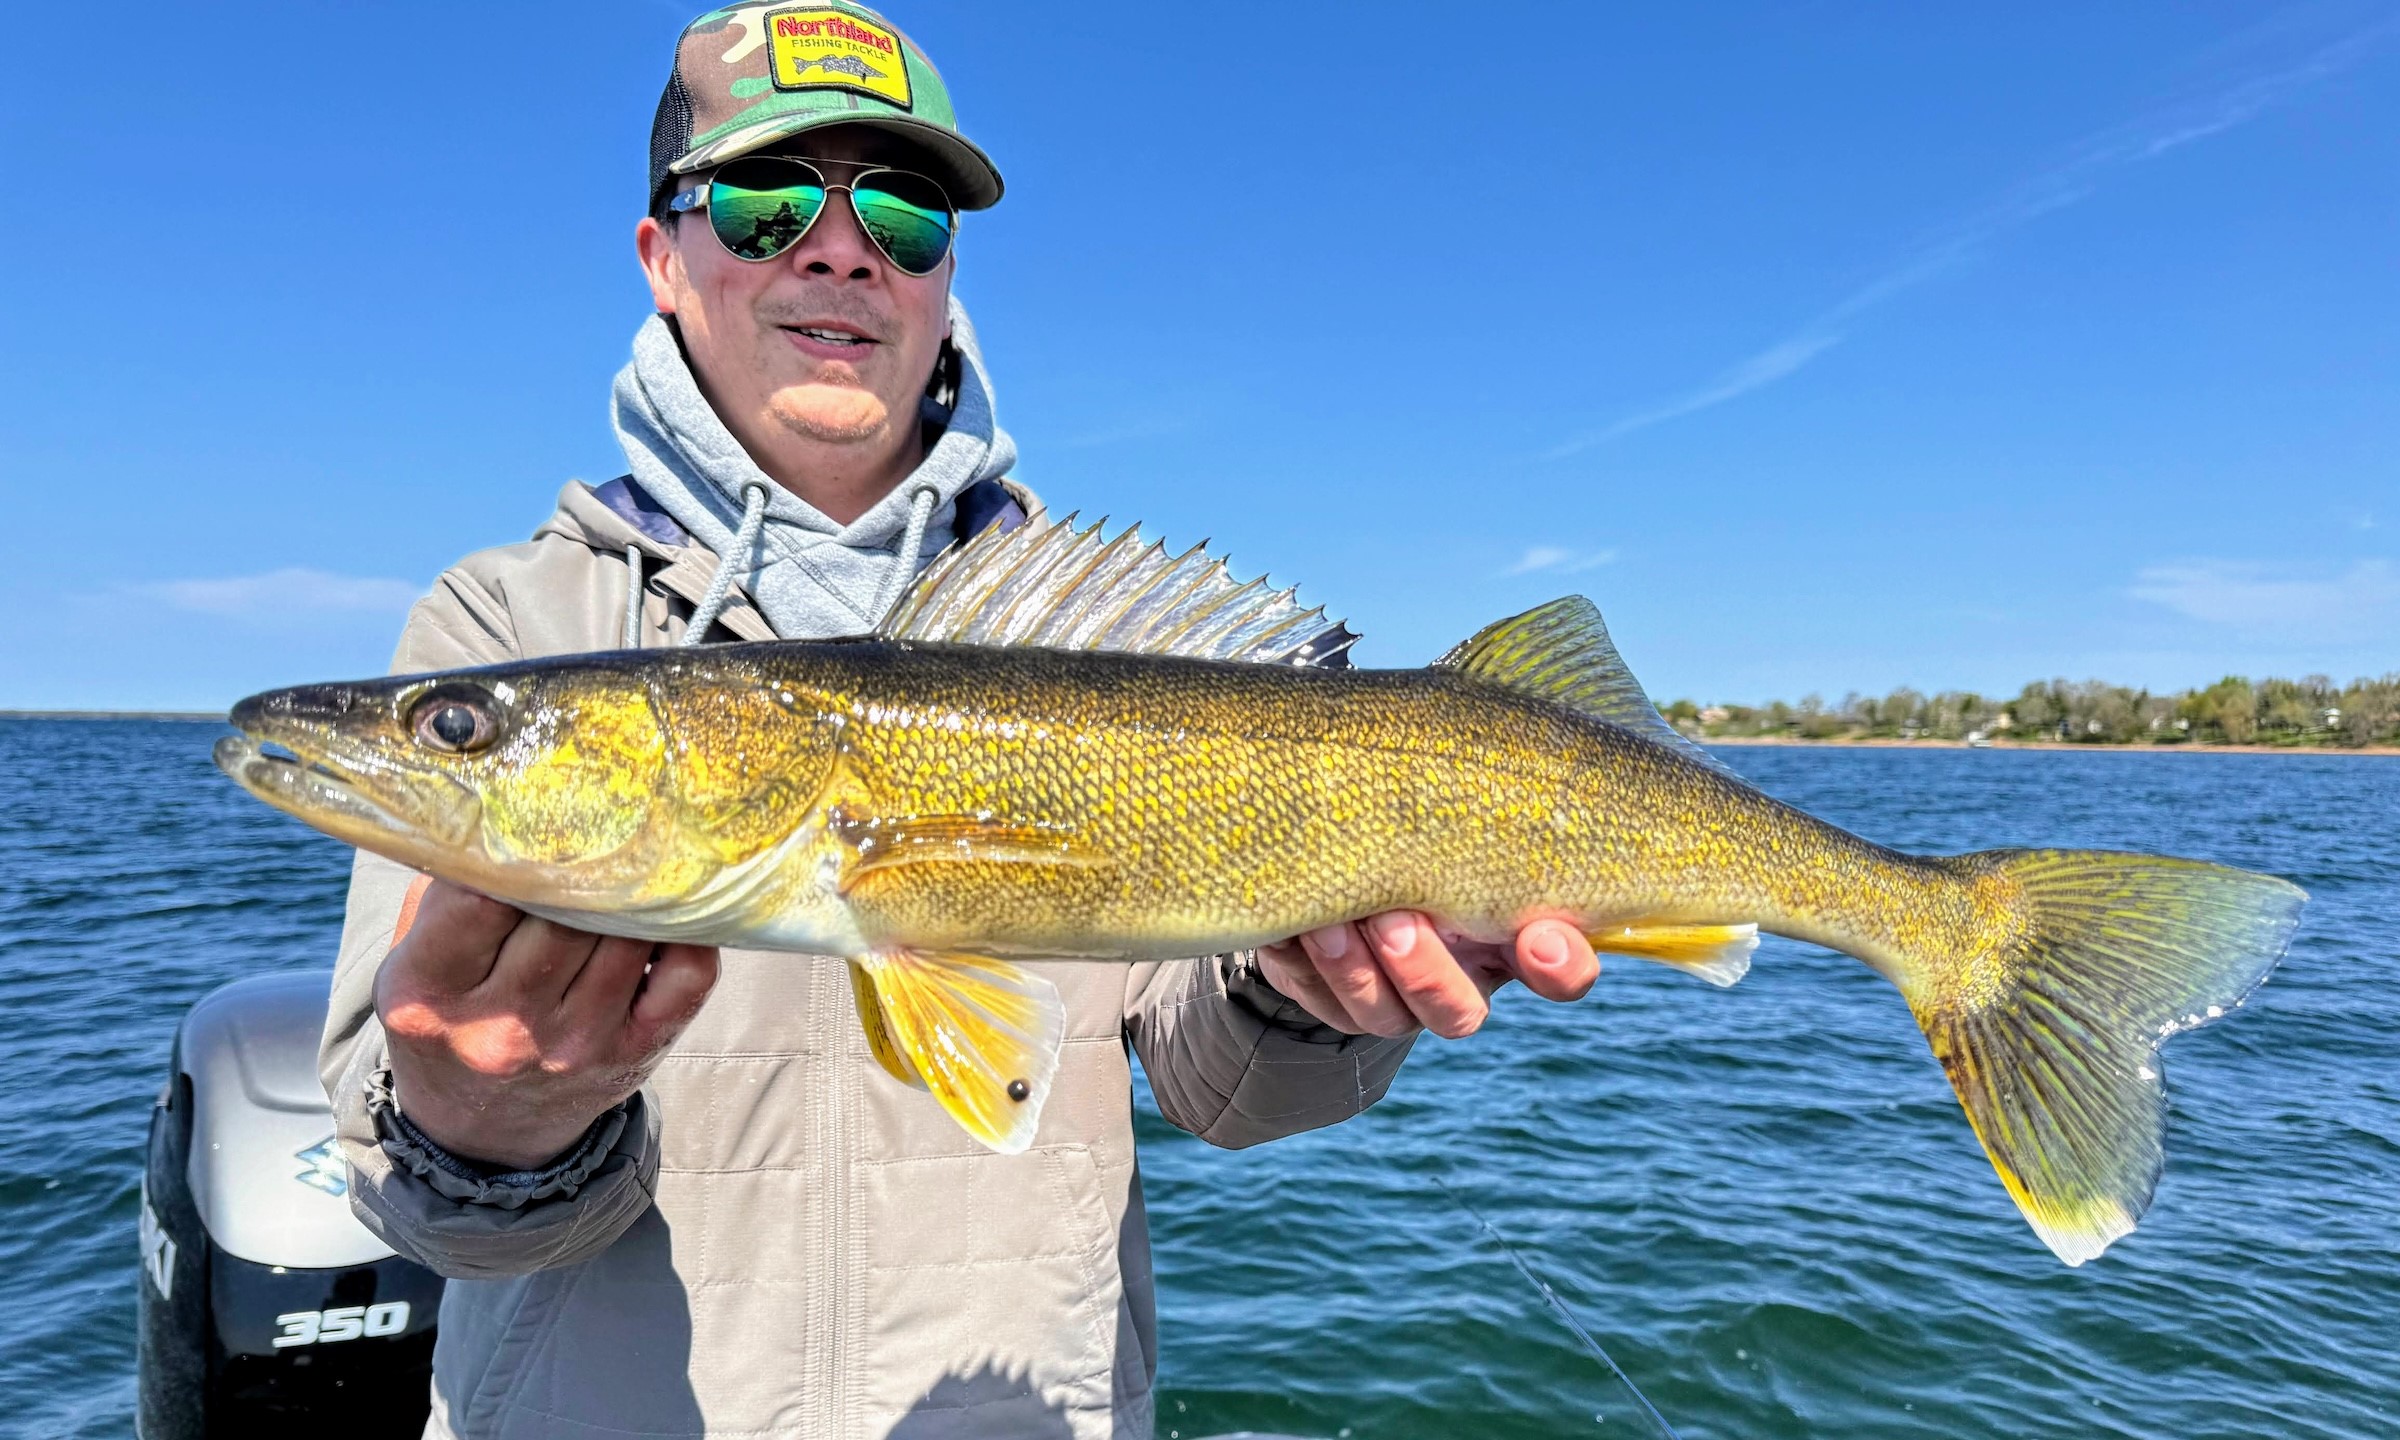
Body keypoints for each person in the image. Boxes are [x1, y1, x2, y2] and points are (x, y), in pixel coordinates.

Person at [319, 5, 1602, 1436]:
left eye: (907, 215)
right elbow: (429, 1208)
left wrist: (1309, 996)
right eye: (762, 199)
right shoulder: (512, 627)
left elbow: (1222, 1090)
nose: (840, 245)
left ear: (942, 276)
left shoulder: (1080, 629)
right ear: (661, 259)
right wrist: (482, 1127)